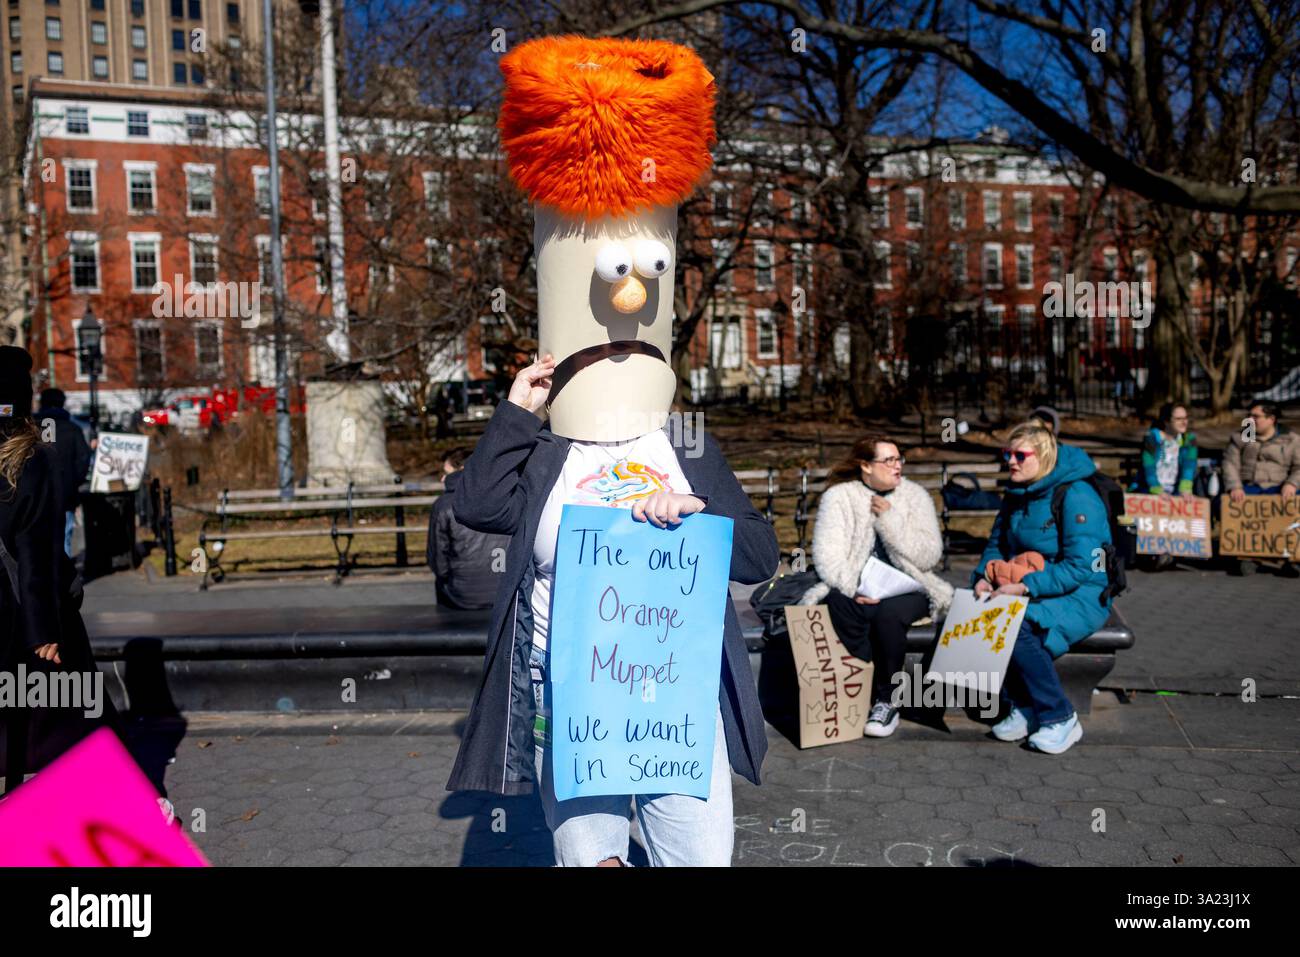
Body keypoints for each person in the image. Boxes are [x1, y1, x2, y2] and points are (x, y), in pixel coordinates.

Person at [446, 36, 777, 868]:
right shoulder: (549, 452)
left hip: (678, 702)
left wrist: (696, 522)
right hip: (575, 701)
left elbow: (761, 555)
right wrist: (516, 416)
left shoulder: (688, 445)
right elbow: (476, 507)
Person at [0, 347, 115, 791]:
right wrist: (43, 629)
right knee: (74, 715)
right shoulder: (30, 461)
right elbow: (35, 554)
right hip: (25, 617)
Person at [797, 435, 953, 738]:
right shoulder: (840, 497)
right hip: (855, 585)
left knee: (888, 614)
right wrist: (856, 587)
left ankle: (887, 699)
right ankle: (856, 691)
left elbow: (929, 555)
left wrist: (890, 520)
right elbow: (828, 556)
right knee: (838, 605)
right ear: (866, 466)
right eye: (889, 460)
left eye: (899, 459)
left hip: (912, 587)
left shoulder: (915, 495)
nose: (897, 466)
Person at [973, 421, 1112, 755]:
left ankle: (1060, 717)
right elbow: (996, 545)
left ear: (1045, 456)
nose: (1011, 461)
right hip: (1033, 583)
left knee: (1016, 626)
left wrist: (1023, 588)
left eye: (1021, 455)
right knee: (988, 617)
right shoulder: (1016, 494)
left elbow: (1082, 566)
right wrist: (983, 576)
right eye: (1007, 453)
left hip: (1082, 591)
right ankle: (1025, 706)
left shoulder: (1076, 494)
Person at [426, 447, 511, 610]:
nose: (443, 478)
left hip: (461, 594)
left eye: (447, 472)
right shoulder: (505, 495)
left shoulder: (444, 504)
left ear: (462, 470)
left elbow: (437, 561)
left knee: (442, 581)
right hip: (505, 590)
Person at [1222, 402, 1300, 577]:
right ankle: (1247, 556)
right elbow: (1230, 464)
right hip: (1249, 486)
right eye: (1249, 415)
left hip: (1278, 486)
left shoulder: (1290, 439)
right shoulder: (1245, 435)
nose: (1250, 420)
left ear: (1271, 419)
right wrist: (1235, 486)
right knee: (1229, 505)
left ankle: (1292, 557)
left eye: (1255, 416)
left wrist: (1292, 483)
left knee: (1295, 506)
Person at [34, 388, 93, 558]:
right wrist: (74, 481)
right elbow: (84, 458)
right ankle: (63, 579)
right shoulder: (72, 428)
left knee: (39, 541)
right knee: (64, 537)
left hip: (37, 494)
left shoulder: (32, 427)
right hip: (65, 492)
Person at [1140, 403, 1197, 497]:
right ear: (1166, 421)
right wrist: (1156, 489)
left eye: (1185, 418)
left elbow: (1189, 467)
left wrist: (1185, 489)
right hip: (1150, 490)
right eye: (1178, 419)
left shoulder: (1188, 440)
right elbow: (1148, 466)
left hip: (1176, 491)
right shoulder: (1152, 438)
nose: (1184, 422)